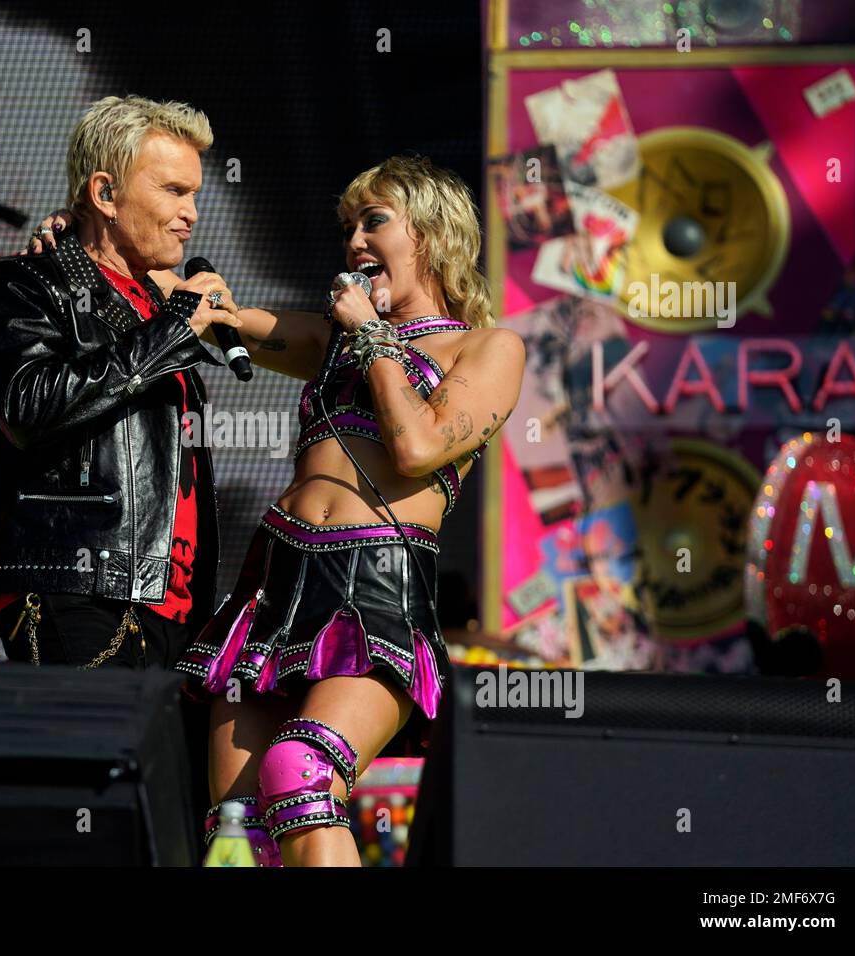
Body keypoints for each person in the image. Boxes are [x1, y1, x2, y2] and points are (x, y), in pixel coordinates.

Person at [27, 155, 525, 866]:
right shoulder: (329, 337)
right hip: (274, 581)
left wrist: (370, 336)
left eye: (374, 222)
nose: (354, 241)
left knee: (301, 774)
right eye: (349, 226)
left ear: (434, 232)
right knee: (234, 832)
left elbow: (418, 446)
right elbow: (200, 315)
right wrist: (77, 247)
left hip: (375, 585)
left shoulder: (488, 346)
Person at [0, 95, 245, 669]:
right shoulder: (30, 282)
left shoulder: (156, 303)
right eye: (173, 191)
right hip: (74, 586)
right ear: (106, 193)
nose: (191, 213)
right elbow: (27, 406)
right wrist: (169, 330)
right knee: (91, 756)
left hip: (169, 605)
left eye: (196, 195)